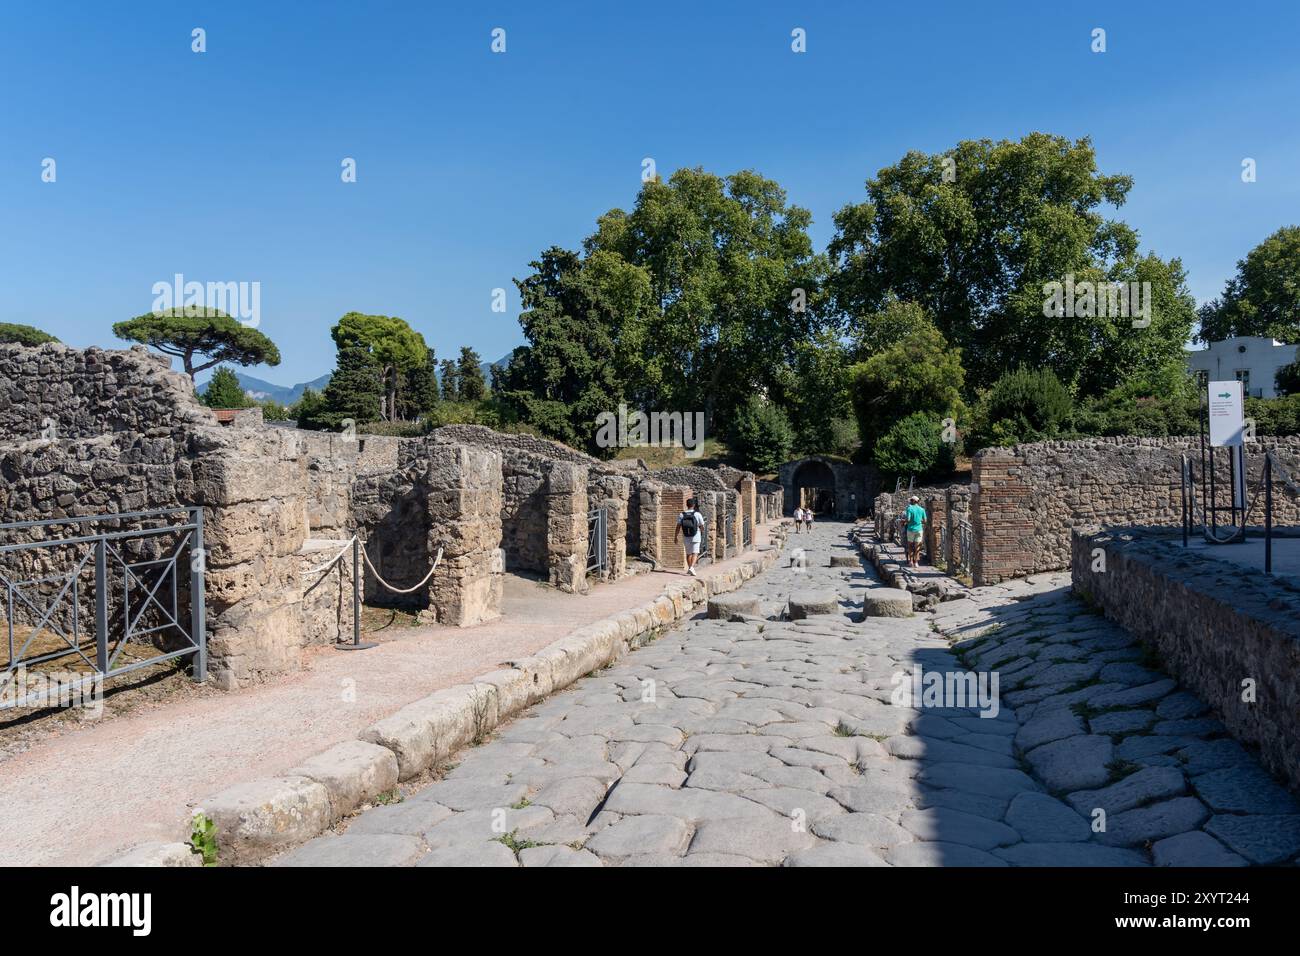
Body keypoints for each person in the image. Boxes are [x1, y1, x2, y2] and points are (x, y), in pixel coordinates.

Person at [674, 496, 707, 576]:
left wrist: (675, 536)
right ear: (694, 505)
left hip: (686, 536)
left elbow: (678, 526)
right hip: (696, 535)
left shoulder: (682, 514)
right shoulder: (697, 514)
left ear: (687, 505)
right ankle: (691, 568)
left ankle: (690, 568)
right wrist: (702, 530)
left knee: (688, 553)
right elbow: (702, 526)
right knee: (695, 553)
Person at [904, 494, 927, 568]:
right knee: (917, 547)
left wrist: (903, 521)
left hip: (910, 529)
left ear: (913, 501)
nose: (910, 501)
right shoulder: (922, 509)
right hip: (919, 529)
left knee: (910, 546)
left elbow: (908, 519)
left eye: (911, 500)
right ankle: (916, 562)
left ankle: (911, 561)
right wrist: (919, 522)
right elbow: (925, 521)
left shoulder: (909, 509)